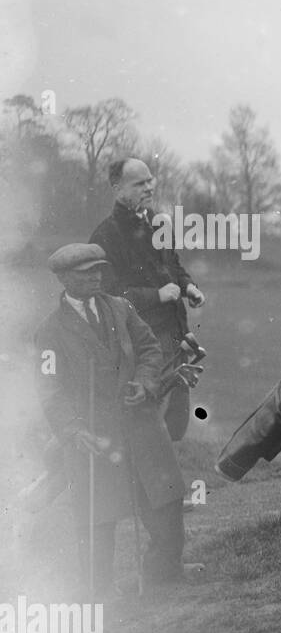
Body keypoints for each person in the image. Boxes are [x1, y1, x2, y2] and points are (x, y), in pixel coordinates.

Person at [33, 243, 199, 593]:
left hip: (141, 424)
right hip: (93, 434)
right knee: (97, 513)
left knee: (164, 496)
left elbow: (151, 349)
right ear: (64, 279)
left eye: (99, 269)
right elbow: (51, 391)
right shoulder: (49, 332)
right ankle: (100, 592)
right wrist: (72, 430)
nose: (96, 277)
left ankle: (164, 574)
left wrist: (146, 383)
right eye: (86, 273)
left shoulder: (121, 308)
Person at [91, 158, 205, 441]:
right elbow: (108, 294)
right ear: (117, 188)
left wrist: (189, 287)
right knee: (147, 419)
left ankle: (168, 475)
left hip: (175, 334)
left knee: (176, 419)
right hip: (142, 340)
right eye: (139, 183)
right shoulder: (106, 236)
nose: (149, 187)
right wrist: (157, 295)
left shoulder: (157, 222)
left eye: (150, 180)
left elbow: (173, 266)